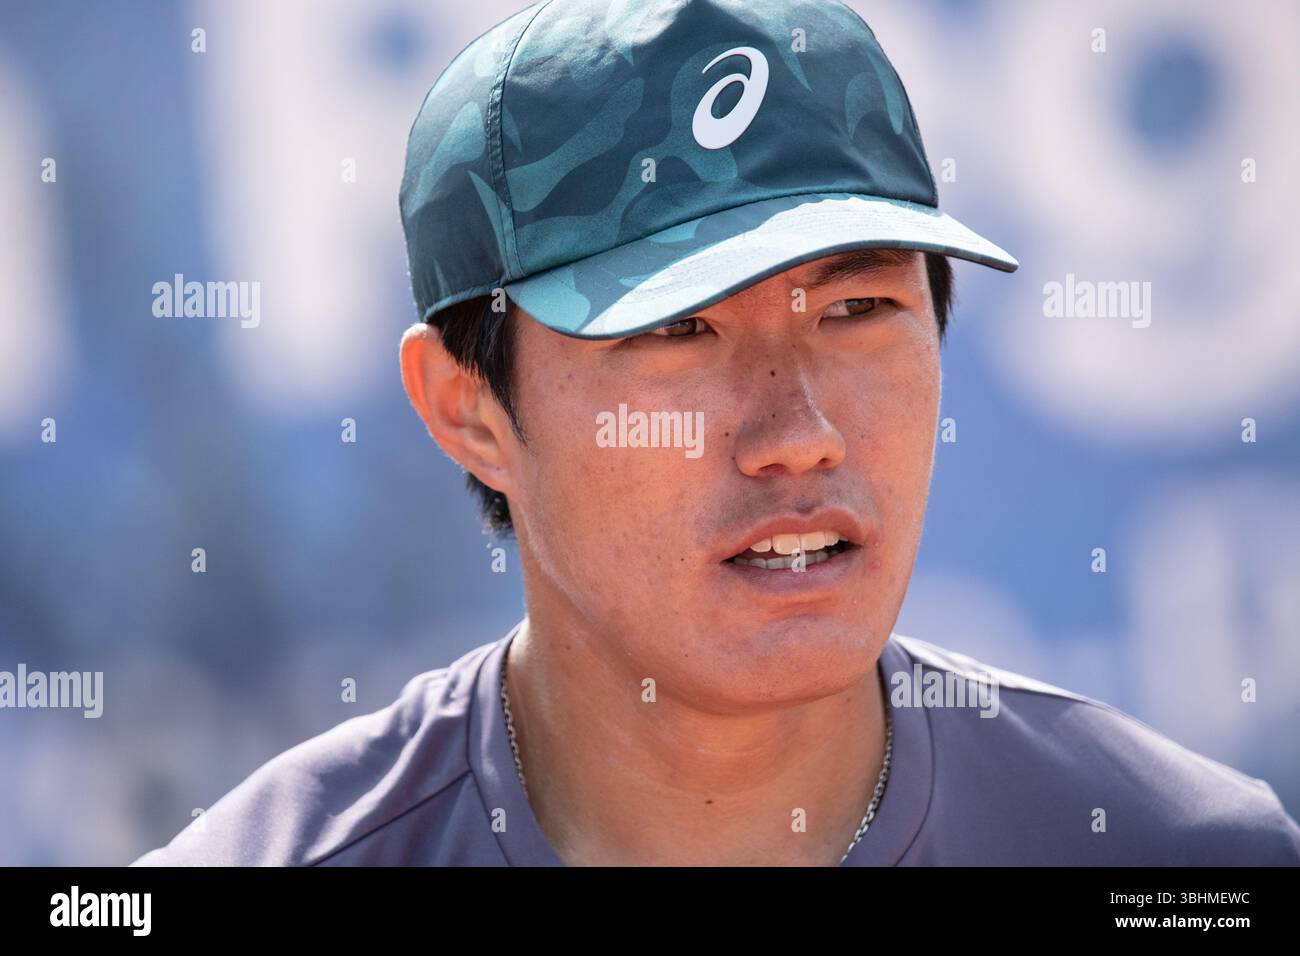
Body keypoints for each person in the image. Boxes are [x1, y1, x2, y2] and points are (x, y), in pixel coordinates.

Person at [132, 0, 1300, 866]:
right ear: (467, 408)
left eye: (855, 309)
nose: (795, 434)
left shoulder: (1183, 861)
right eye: (675, 330)